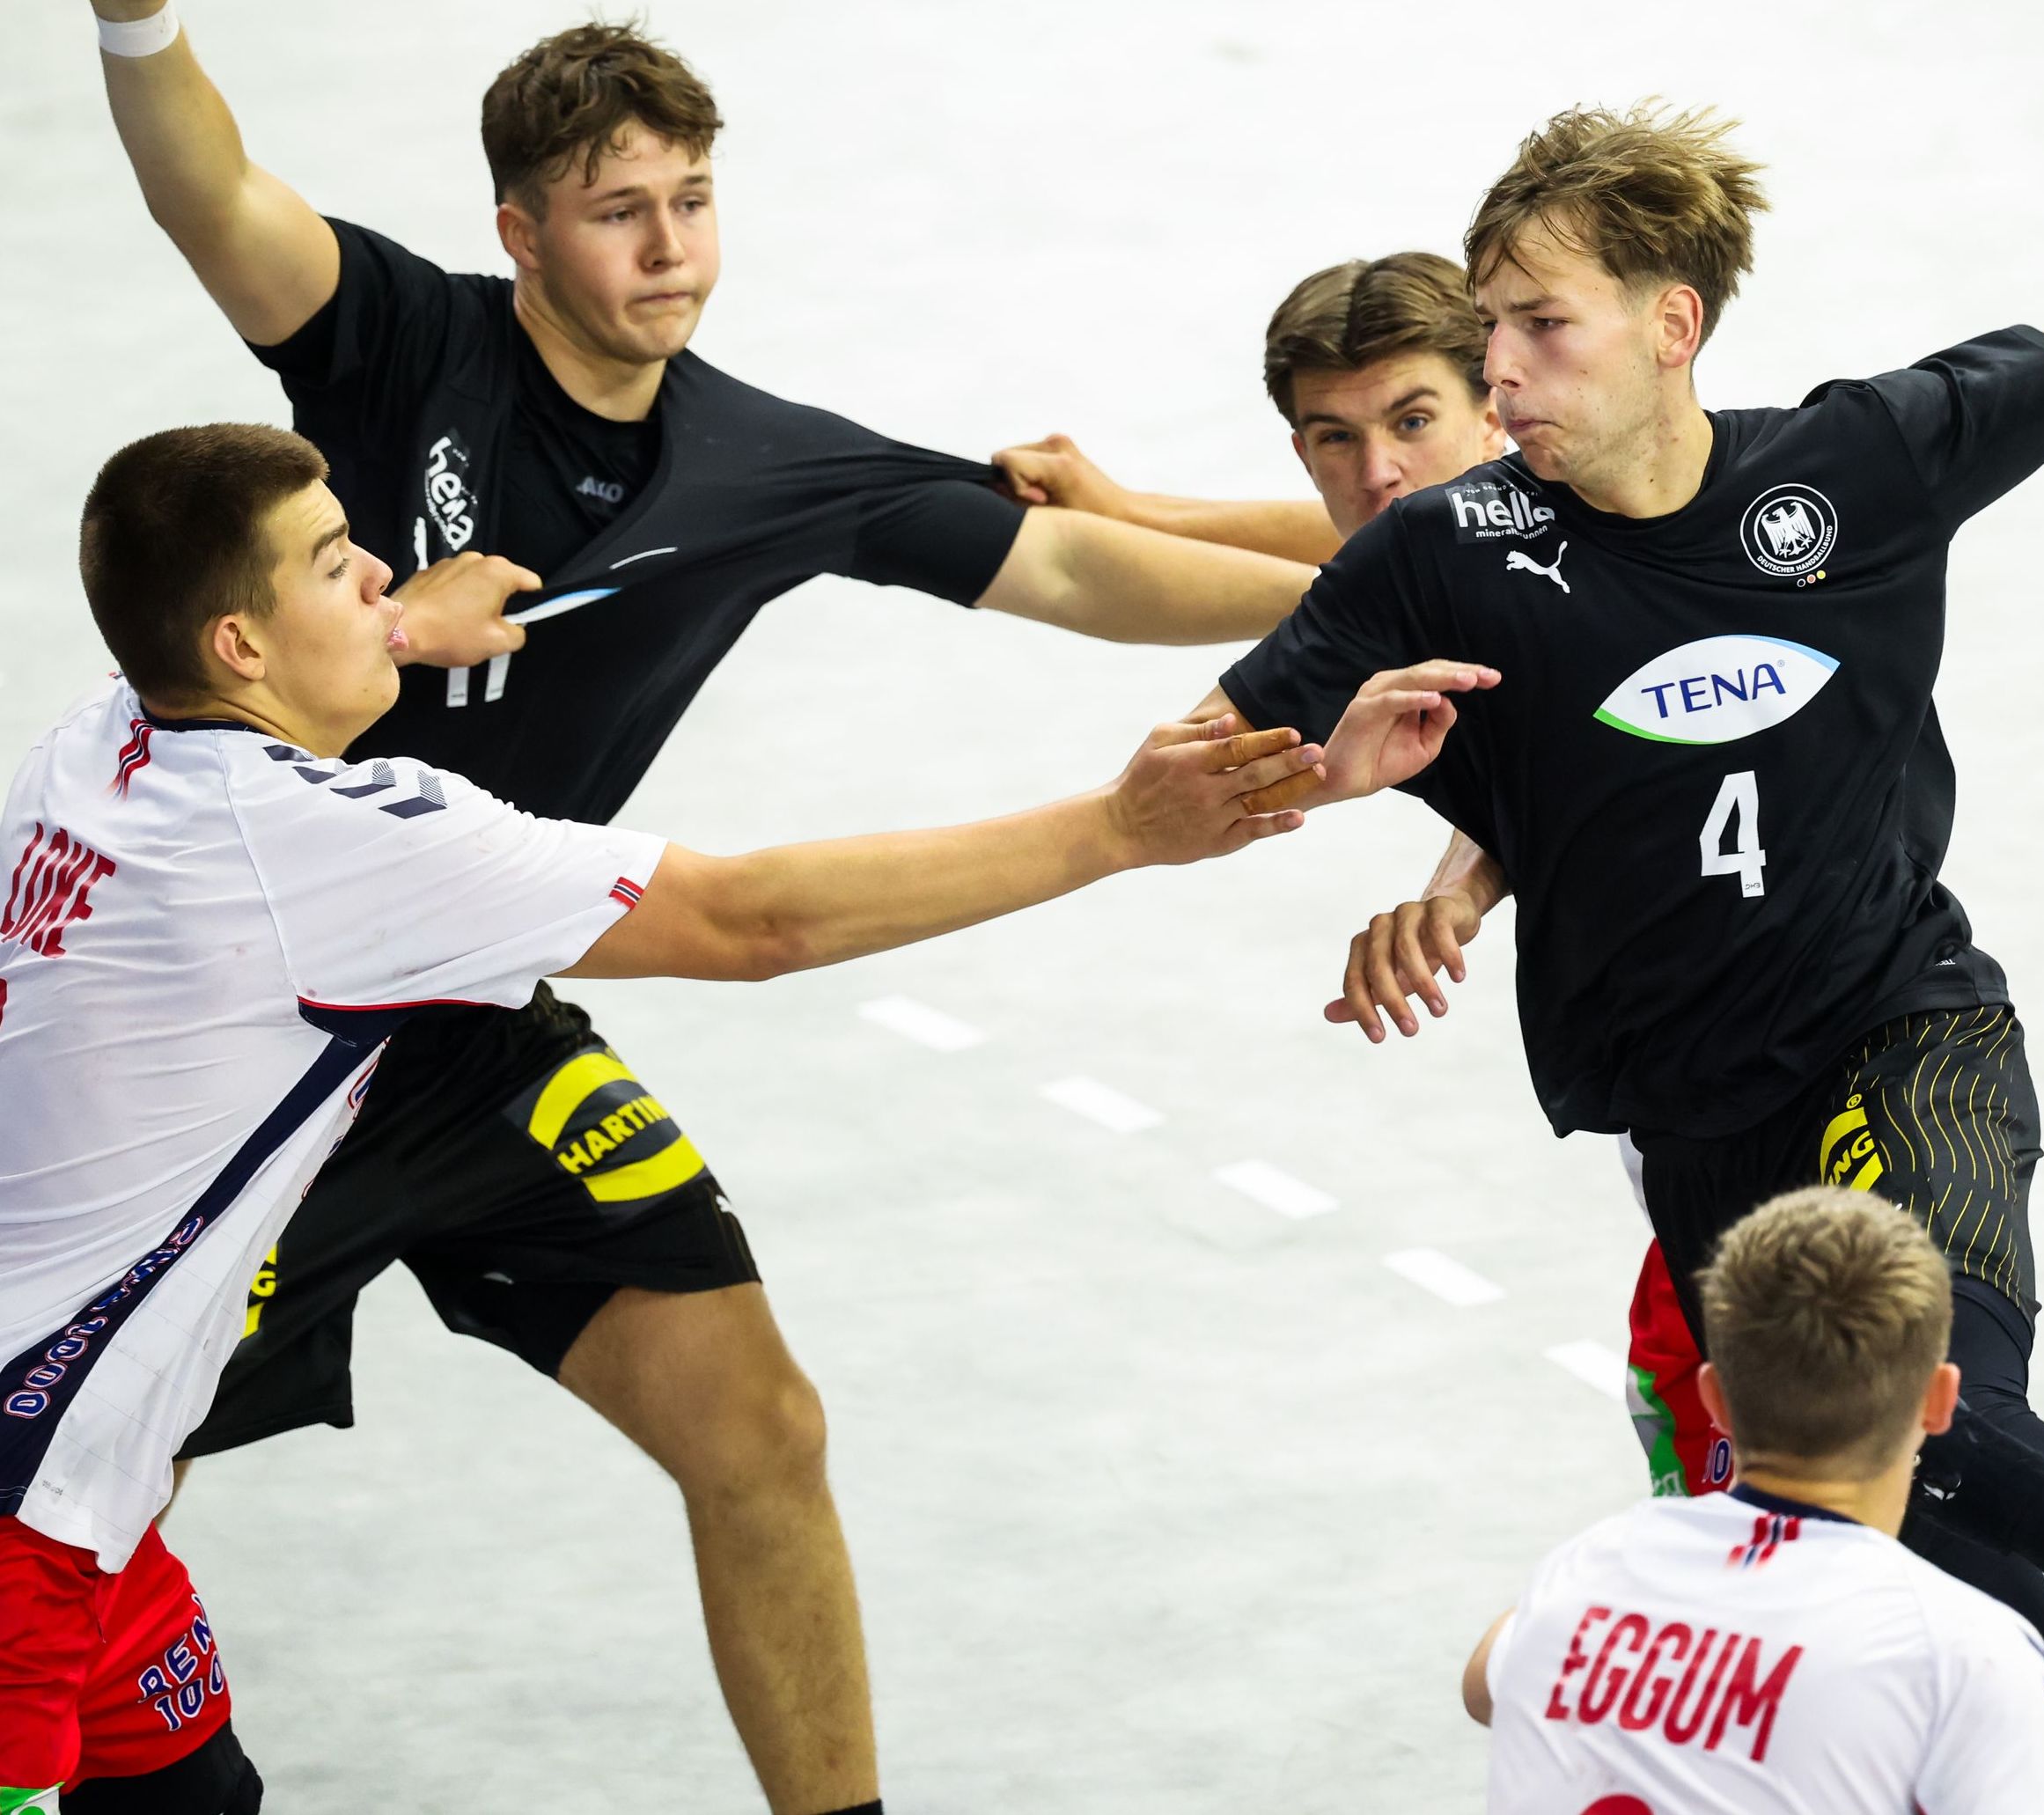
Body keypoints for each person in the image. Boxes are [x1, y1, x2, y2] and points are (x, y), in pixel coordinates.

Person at [80, 10, 1320, 1810]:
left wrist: (1383, 575)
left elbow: (1066, 564)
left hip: (478, 1025)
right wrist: (140, 24)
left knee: (759, 1427)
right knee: (93, 1493)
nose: (669, 249)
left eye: (693, 202)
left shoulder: (764, 459)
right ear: (518, 231)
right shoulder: (403, 339)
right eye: (615, 212)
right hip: (252, 1065)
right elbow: (212, 193)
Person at [1190, 100, 2044, 1815]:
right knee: (1951, 1583)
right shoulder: (1440, 558)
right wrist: (1323, 778)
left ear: (1669, 323)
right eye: (1488, 330)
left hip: (1901, 1039)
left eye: (1538, 326)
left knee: (1942, 1419)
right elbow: (1201, 758)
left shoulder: (1850, 468)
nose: (1503, 368)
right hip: (1695, 1139)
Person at [996, 254, 1727, 1501]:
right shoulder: (1472, 523)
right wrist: (1142, 511)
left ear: (1496, 403)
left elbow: (1562, 715)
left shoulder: (1597, 538)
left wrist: (1450, 879)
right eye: (1331, 438)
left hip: (1794, 1096)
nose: (1374, 470)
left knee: (1838, 1534)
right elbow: (1376, 545)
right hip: (1684, 1124)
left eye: (1409, 421)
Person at [1469, 1187, 2044, 1814]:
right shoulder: (1962, 1657)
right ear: (1941, 1402)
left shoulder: (1575, 1583)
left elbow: (1483, 1682)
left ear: (1715, 1400)